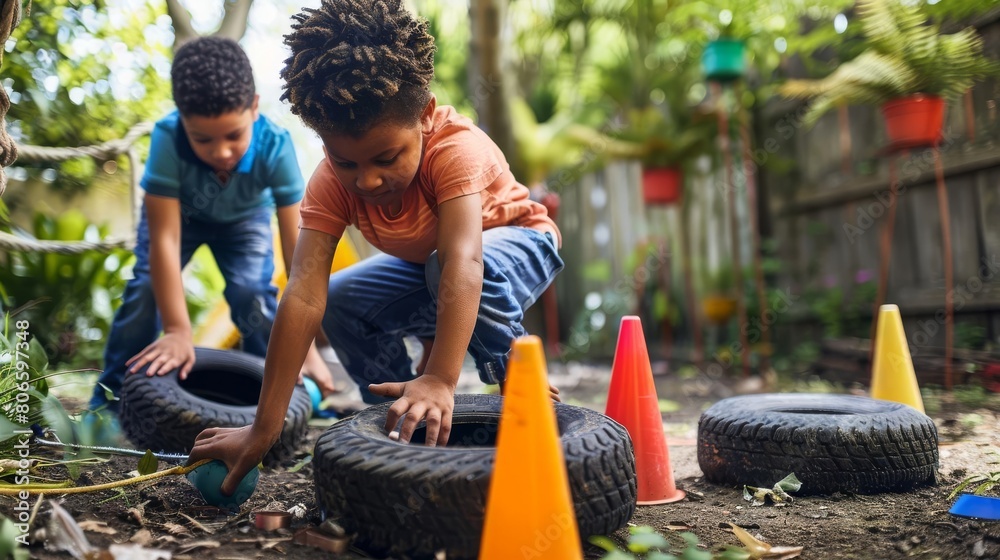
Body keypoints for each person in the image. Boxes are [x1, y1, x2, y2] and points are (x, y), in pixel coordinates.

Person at [188, 0, 564, 492]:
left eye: (387, 157)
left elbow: (464, 262)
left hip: (520, 245)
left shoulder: (455, 149)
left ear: (425, 116)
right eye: (346, 162)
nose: (366, 179)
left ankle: (520, 384)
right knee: (339, 299)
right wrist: (264, 428)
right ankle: (399, 420)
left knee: (444, 266)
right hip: (434, 274)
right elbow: (303, 294)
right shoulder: (330, 184)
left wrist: (441, 377)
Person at [89, 36, 337, 415]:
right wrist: (177, 330)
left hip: (244, 222)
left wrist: (306, 350)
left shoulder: (276, 146)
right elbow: (165, 242)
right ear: (182, 119)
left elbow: (298, 256)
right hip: (180, 221)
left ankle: (278, 390)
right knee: (144, 291)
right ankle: (109, 402)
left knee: (251, 293)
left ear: (254, 108)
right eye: (203, 139)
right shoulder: (167, 138)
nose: (221, 152)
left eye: (234, 136)